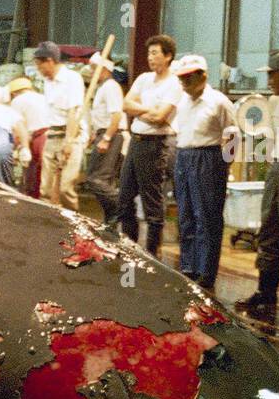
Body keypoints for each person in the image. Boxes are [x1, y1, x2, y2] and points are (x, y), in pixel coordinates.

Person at [233, 50, 279, 316]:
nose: (270, 79)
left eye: (274, 74)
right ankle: (265, 292)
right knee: (268, 230)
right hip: (277, 167)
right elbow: (268, 137)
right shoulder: (273, 102)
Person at [170, 54, 236, 290]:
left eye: (189, 77)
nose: (185, 82)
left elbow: (233, 134)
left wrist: (223, 165)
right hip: (184, 156)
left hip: (208, 157)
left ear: (203, 75)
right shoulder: (182, 102)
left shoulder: (218, 101)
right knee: (185, 215)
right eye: (182, 78)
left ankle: (206, 271)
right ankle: (188, 266)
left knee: (206, 218)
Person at [116, 34, 182, 256]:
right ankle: (129, 246)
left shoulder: (174, 83)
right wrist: (147, 111)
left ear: (168, 56)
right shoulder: (144, 78)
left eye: (155, 53)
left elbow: (161, 118)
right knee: (124, 198)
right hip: (136, 142)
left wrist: (140, 111)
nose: (150, 57)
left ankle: (152, 253)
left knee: (152, 202)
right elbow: (126, 104)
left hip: (155, 145)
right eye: (149, 53)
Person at [30, 41, 86, 209]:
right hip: (52, 134)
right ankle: (48, 228)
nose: (39, 70)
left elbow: (73, 113)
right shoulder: (48, 82)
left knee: (65, 188)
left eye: (40, 65)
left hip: (71, 135)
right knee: (45, 189)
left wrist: (69, 142)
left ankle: (75, 225)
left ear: (50, 61)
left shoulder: (72, 78)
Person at [84, 53, 126, 226]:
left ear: (104, 69)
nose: (92, 72)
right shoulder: (102, 87)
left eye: (95, 68)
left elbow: (116, 115)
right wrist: (96, 134)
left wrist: (107, 137)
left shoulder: (110, 86)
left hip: (112, 135)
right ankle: (112, 219)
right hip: (104, 133)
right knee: (104, 179)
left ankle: (122, 205)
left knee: (96, 179)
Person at [8, 76, 50, 197]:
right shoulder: (43, 97)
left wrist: (15, 148)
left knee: (32, 176)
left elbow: (18, 127)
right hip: (49, 136)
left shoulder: (18, 101)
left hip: (37, 138)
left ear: (14, 93)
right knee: (43, 175)